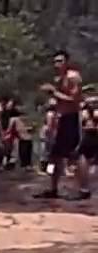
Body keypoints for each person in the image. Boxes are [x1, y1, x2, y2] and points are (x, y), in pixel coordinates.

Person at [37, 50, 89, 200]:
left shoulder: (73, 77)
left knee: (76, 154)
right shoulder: (59, 79)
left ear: (67, 62)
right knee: (55, 154)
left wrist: (54, 92)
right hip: (62, 118)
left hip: (72, 118)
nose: (56, 64)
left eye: (60, 61)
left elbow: (74, 100)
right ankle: (53, 188)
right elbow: (59, 99)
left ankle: (84, 189)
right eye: (55, 62)